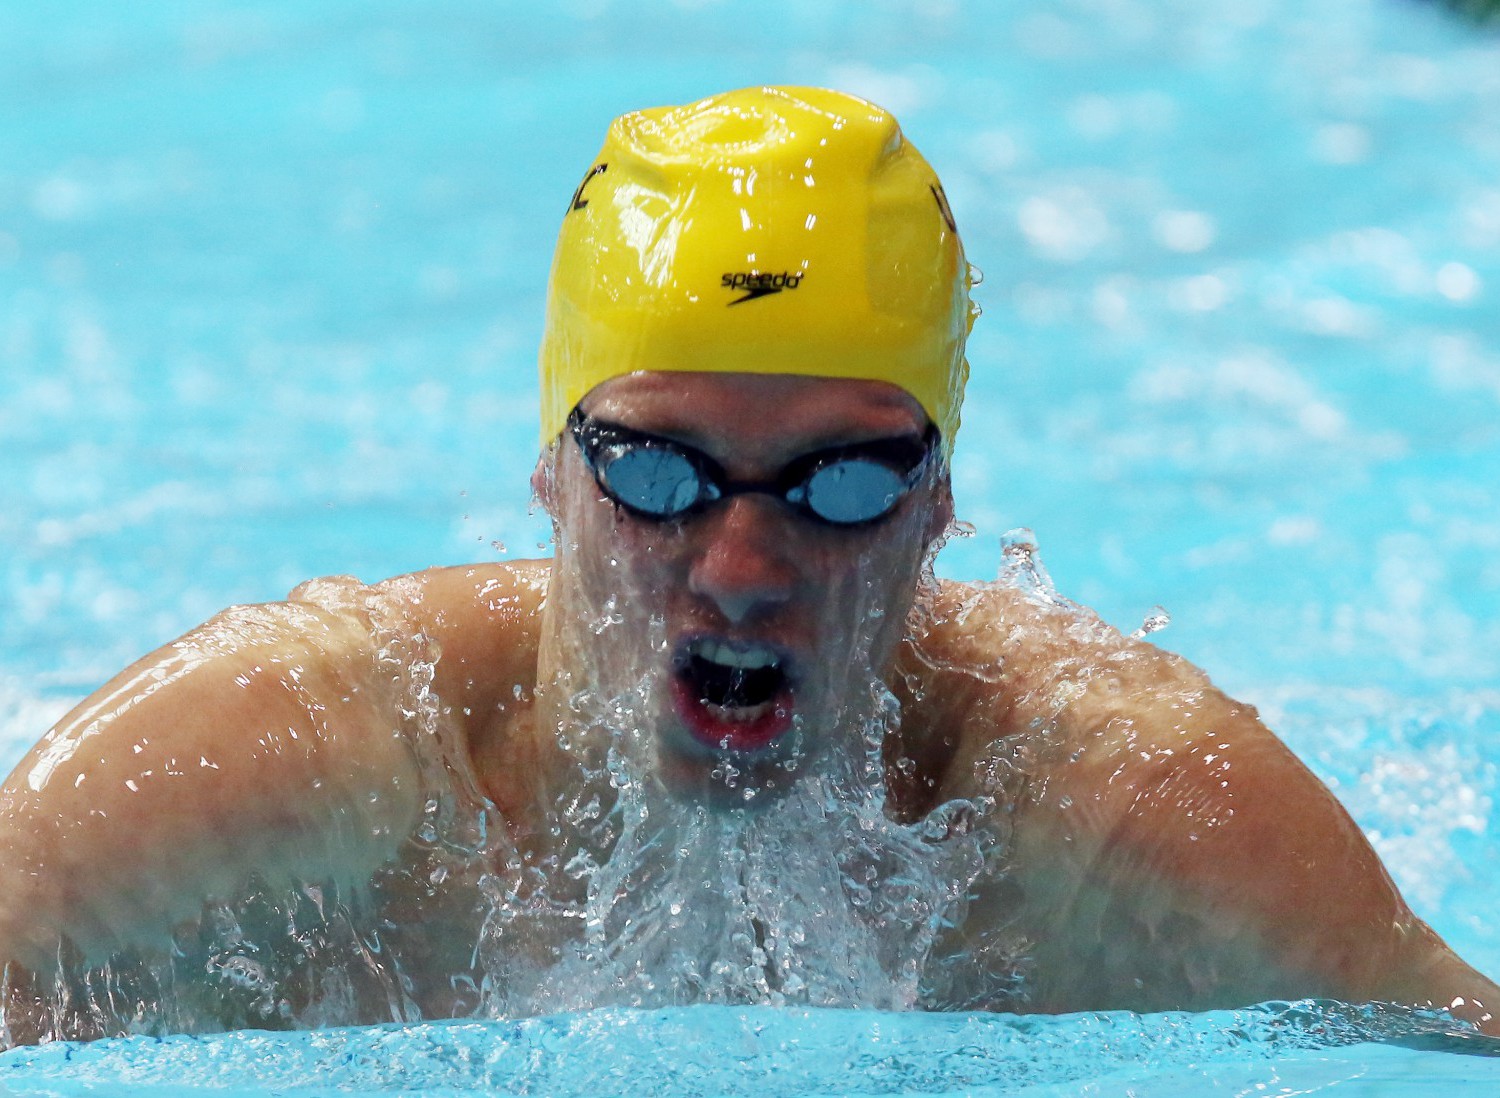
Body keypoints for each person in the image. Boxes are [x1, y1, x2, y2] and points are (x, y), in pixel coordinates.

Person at [1, 85, 1495, 1044]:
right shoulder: (303, 758)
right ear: (548, 472)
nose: (740, 564)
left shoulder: (1119, 815)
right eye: (656, 472)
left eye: (842, 482)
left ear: (938, 508)